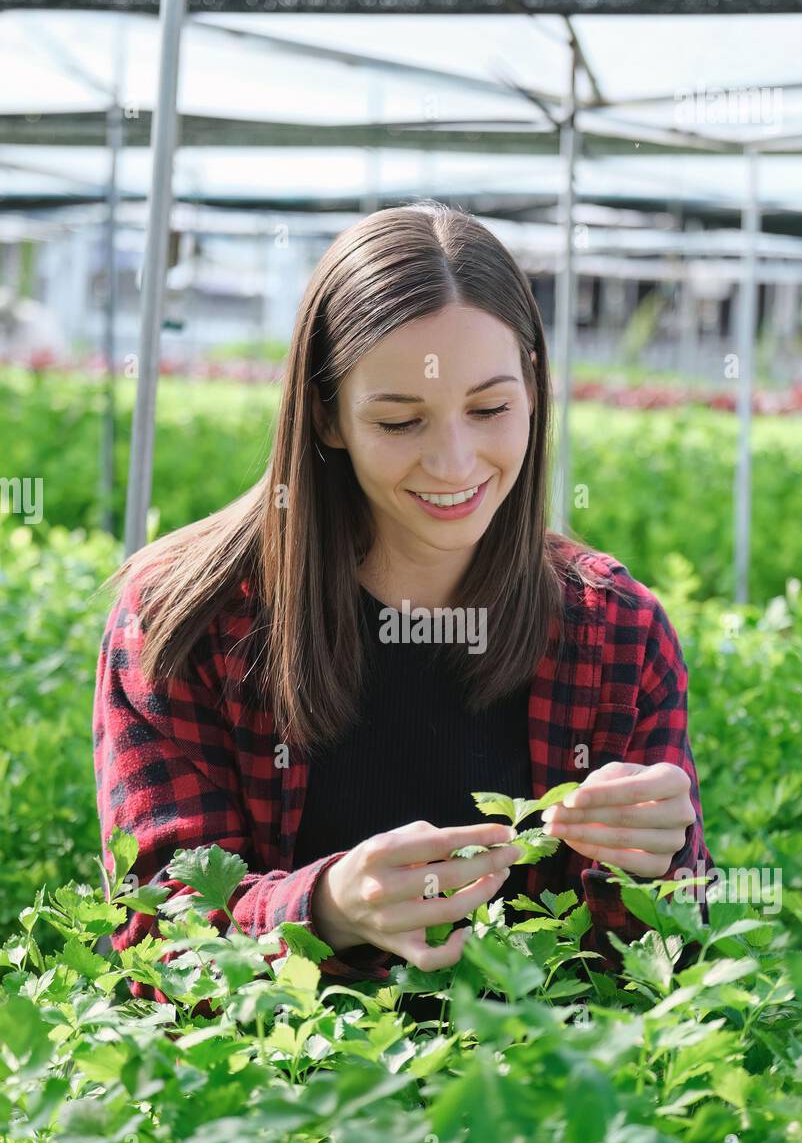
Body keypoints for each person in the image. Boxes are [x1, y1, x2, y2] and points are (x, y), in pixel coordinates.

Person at [93, 200, 711, 1019]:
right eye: (399, 419)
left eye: (490, 409)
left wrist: (663, 863)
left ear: (533, 387)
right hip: (282, 1124)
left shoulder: (616, 633)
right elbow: (158, 941)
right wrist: (329, 909)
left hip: (527, 1117)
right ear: (325, 412)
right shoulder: (188, 621)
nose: (454, 460)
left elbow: (665, 970)